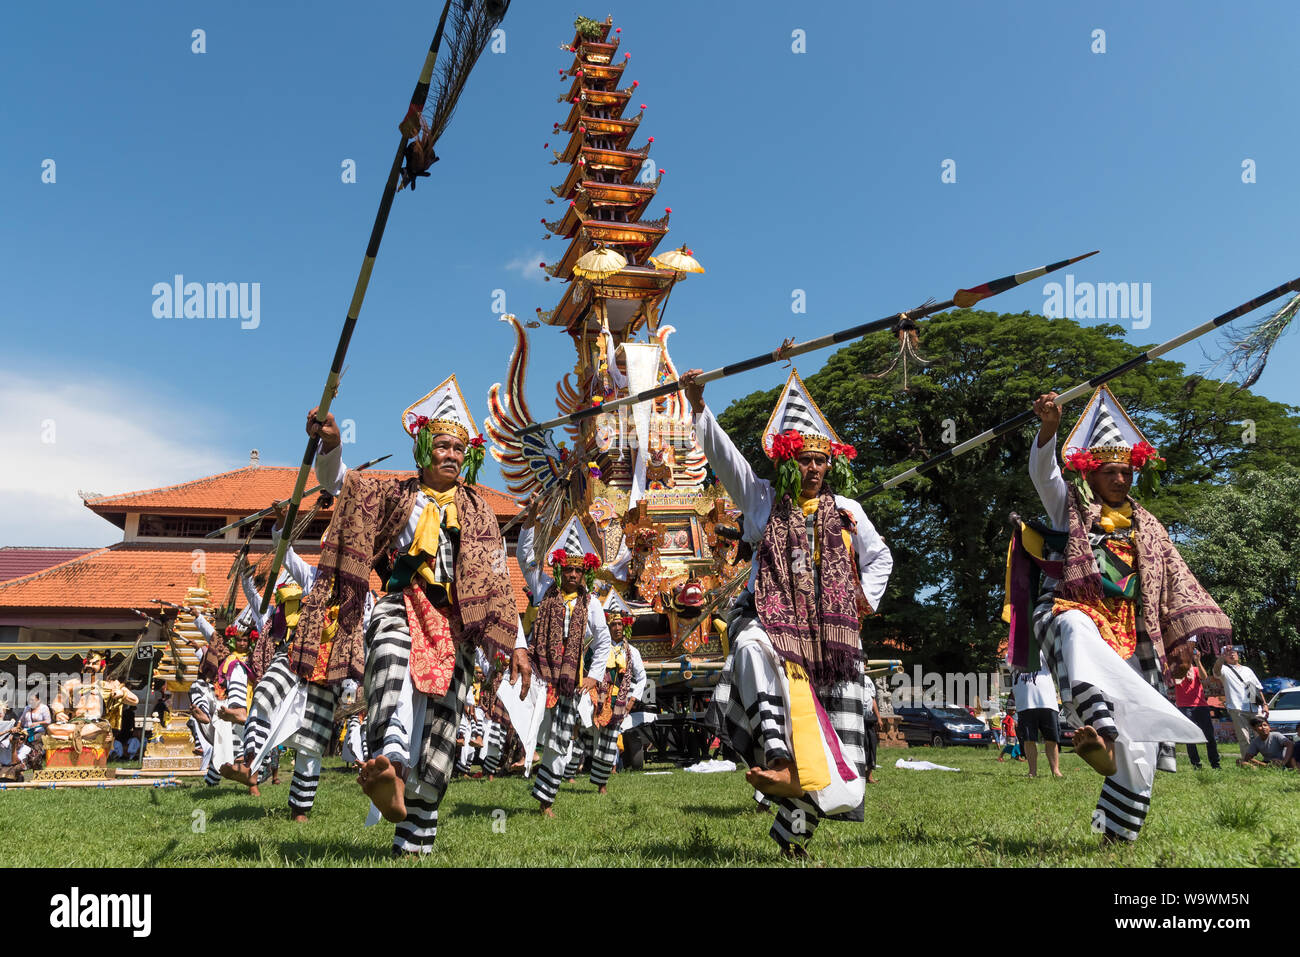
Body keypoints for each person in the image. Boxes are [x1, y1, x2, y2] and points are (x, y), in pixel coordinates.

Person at [306, 375, 529, 855]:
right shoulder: (394, 495)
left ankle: (412, 841)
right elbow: (339, 484)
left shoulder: (480, 512)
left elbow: (497, 580)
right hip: (402, 603)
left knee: (442, 726)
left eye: (458, 448)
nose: (450, 454)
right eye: (442, 445)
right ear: (424, 448)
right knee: (389, 659)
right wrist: (332, 445)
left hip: (456, 624)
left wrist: (520, 646)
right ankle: (386, 762)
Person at [685, 367, 893, 854]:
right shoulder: (762, 501)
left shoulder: (847, 510)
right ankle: (777, 754)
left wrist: (863, 601)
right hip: (771, 621)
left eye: (820, 460)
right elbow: (727, 459)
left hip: (832, 640)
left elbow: (880, 556)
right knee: (750, 647)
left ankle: (789, 838)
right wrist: (698, 407)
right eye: (803, 459)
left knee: (845, 760)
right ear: (786, 462)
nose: (814, 468)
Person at [1027, 388, 1228, 842]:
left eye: (1126, 472)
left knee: (1142, 732)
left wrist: (1183, 642)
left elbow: (1176, 584)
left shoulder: (1151, 526)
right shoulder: (1070, 508)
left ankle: (1114, 835)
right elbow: (1044, 474)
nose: (1120, 479)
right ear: (1091, 474)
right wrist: (1049, 428)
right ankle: (1095, 725)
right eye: (1110, 472)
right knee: (1075, 629)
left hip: (1137, 633)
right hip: (1076, 606)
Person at [220, 510, 373, 820]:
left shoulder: (364, 597)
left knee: (311, 746)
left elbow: (365, 637)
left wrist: (355, 683)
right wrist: (281, 525)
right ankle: (249, 762)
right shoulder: (313, 577)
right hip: (294, 659)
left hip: (329, 676)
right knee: (262, 697)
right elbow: (285, 553)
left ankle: (299, 811)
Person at [517, 508, 612, 817]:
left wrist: (594, 676)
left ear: (585, 574)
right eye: (568, 570)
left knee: (559, 741)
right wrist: (530, 522)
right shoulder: (543, 588)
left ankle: (546, 801)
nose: (573, 575)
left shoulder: (592, 604)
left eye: (578, 571)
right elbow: (524, 559)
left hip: (568, 682)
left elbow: (604, 642)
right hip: (538, 677)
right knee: (527, 731)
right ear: (559, 570)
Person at [1013, 648, 1062, 778]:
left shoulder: (1044, 651)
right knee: (1029, 740)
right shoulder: (1013, 653)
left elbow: (1054, 659)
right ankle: (1032, 771)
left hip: (1047, 702)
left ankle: (1055, 770)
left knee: (1051, 739)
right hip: (1025, 705)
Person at [1174, 646, 1220, 770]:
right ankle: (1196, 764)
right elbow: (1175, 678)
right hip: (1184, 706)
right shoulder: (1176, 669)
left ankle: (1215, 764)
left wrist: (1198, 661)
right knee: (1190, 737)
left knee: (1209, 735)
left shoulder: (1195, 669)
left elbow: (1204, 678)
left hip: (1201, 705)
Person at [1214, 647, 1268, 752]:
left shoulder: (1247, 670)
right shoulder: (1224, 669)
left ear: (1237, 654)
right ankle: (1248, 762)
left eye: (1233, 652)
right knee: (1244, 738)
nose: (1231, 654)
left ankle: (1267, 759)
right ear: (1224, 657)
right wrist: (1221, 658)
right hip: (1237, 708)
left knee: (1263, 734)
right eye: (1227, 653)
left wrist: (1265, 705)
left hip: (1254, 707)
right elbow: (1216, 670)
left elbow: (1258, 688)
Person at [863, 676, 880, 784]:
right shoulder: (852, 677)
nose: (863, 665)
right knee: (862, 746)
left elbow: (872, 699)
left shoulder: (868, 680)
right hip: (857, 718)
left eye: (865, 663)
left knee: (871, 745)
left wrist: (878, 717)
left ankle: (869, 776)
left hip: (869, 718)